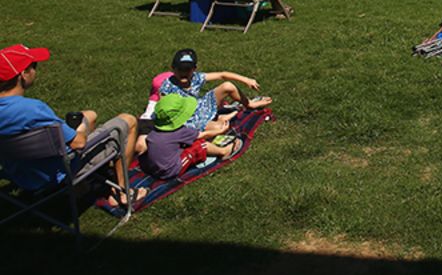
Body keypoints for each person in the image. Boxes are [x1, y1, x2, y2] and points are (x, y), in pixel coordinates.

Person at [0, 44, 144, 209]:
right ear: (23, 75)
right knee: (129, 120)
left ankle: (79, 188)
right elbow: (78, 143)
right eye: (34, 66)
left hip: (19, 170)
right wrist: (81, 130)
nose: (36, 71)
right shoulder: (32, 109)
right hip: (56, 172)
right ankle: (124, 192)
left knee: (89, 114)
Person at [157, 49, 272, 132]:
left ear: (194, 69)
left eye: (187, 69)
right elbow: (165, 112)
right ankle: (221, 118)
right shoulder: (167, 87)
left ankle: (249, 104)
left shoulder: (196, 77)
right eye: (180, 69)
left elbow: (222, 75)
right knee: (219, 128)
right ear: (173, 68)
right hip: (185, 119)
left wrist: (246, 80)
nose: (184, 72)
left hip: (200, 106)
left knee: (227, 86)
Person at [139, 93, 241, 180]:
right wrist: (220, 131)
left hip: (154, 168)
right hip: (170, 170)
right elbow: (202, 135)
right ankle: (223, 152)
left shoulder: (154, 131)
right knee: (200, 145)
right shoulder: (180, 131)